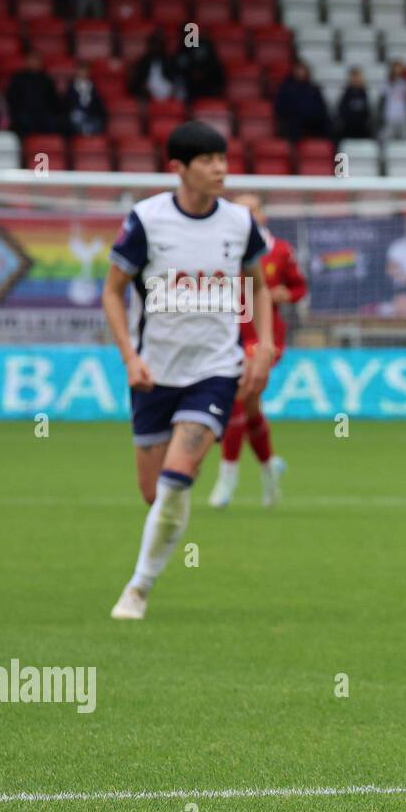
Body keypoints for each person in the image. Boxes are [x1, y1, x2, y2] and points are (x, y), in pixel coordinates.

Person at [102, 121, 274, 620]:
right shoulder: (146, 220)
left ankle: (137, 589)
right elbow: (112, 291)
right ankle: (161, 537)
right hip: (154, 373)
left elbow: (259, 287)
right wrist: (129, 359)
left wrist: (260, 348)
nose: (220, 168)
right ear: (178, 168)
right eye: (208, 160)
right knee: (154, 493)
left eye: (223, 158)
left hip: (215, 370)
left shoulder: (240, 222)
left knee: (177, 480)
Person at [208, 194, 305, 509]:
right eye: (240, 211)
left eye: (253, 210)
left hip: (264, 338)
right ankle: (269, 471)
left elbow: (299, 287)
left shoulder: (280, 251)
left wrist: (285, 294)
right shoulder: (218, 251)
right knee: (249, 408)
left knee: (238, 394)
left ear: (263, 215)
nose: (247, 216)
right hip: (227, 337)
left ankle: (227, 478)